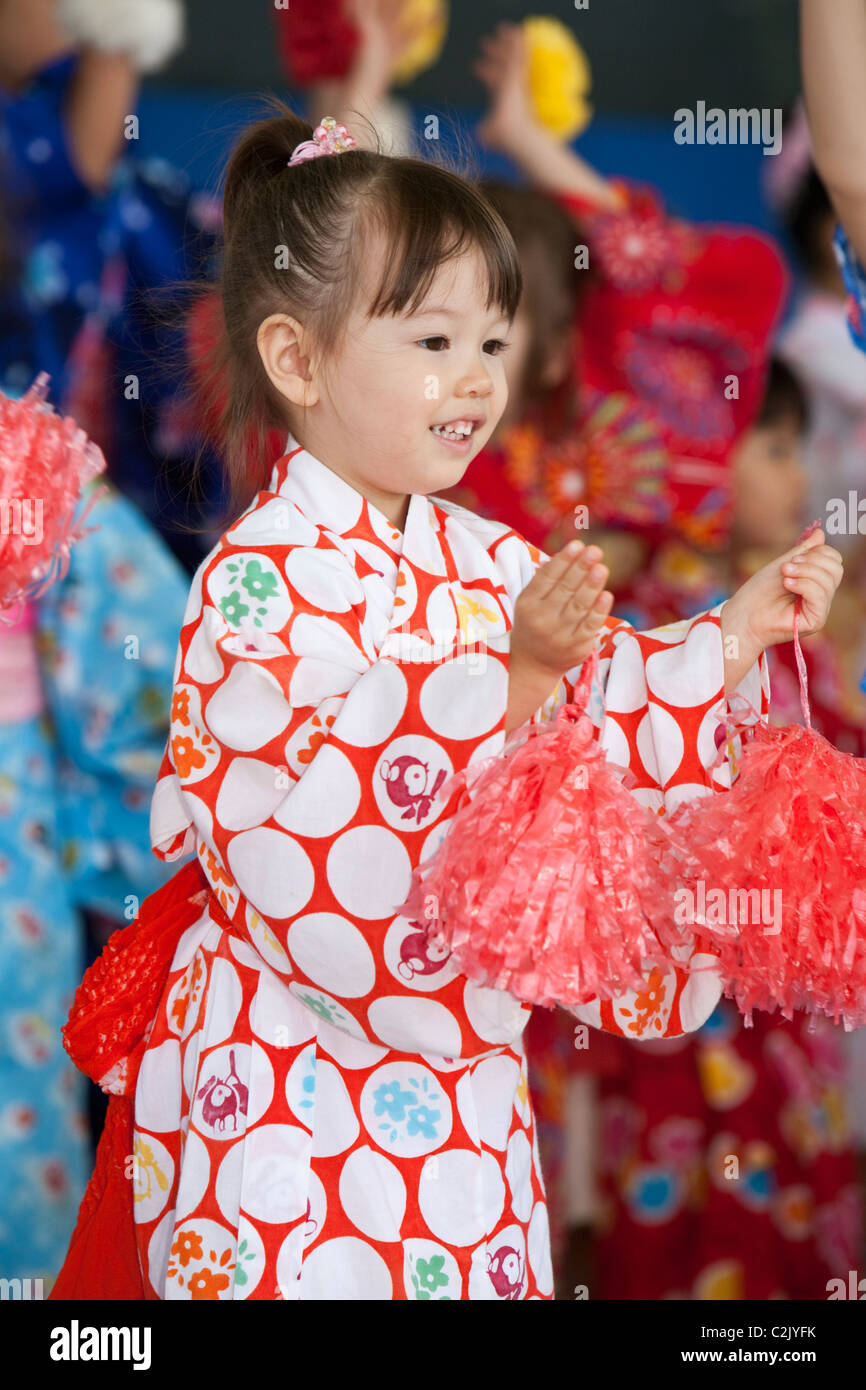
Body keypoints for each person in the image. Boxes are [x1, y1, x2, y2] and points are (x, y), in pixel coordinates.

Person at [51, 108, 842, 1302]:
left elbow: (603, 705)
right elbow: (293, 841)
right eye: (431, 339)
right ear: (296, 359)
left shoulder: (485, 555)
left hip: (465, 1103)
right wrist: (508, 683)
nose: (475, 378)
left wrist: (731, 634)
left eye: (488, 338)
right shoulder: (258, 578)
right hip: (287, 1089)